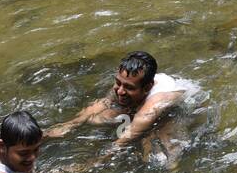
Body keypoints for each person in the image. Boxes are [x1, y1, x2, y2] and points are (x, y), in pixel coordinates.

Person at [44, 51, 188, 157]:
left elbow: (123, 141)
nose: (120, 91)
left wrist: (89, 165)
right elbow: (98, 107)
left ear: (147, 88)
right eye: (118, 83)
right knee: (98, 119)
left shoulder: (156, 103)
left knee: (156, 154)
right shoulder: (124, 85)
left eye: (128, 87)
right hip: (140, 103)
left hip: (178, 110)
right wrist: (66, 127)